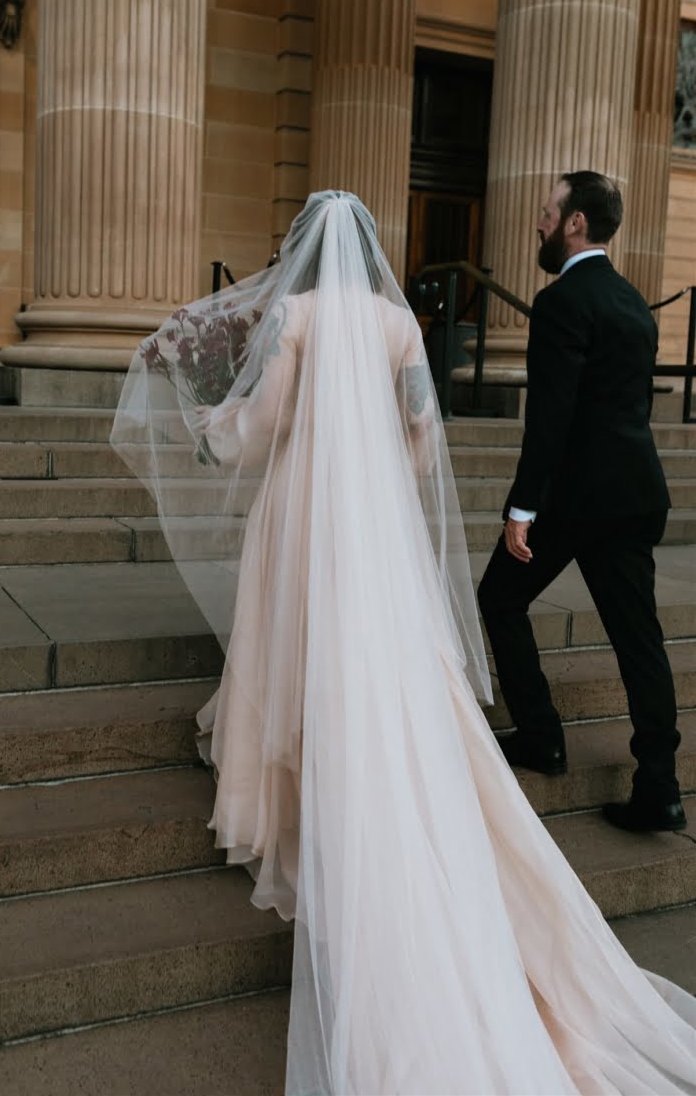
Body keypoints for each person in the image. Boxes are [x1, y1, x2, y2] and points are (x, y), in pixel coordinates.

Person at [112, 191, 696, 1096]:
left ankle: (289, 814)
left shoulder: (293, 316)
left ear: (303, 247)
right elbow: (424, 446)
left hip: (303, 523)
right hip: (379, 532)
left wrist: (207, 432)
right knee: (381, 672)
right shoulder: (397, 325)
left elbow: (257, 427)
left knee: (290, 659)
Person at [477, 171, 685, 835]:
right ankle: (661, 786)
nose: (539, 222)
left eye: (547, 212)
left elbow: (554, 418)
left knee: (499, 598)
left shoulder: (562, 300)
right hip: (636, 492)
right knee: (639, 639)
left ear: (574, 222)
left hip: (578, 498)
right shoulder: (630, 301)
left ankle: (540, 735)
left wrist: (521, 508)